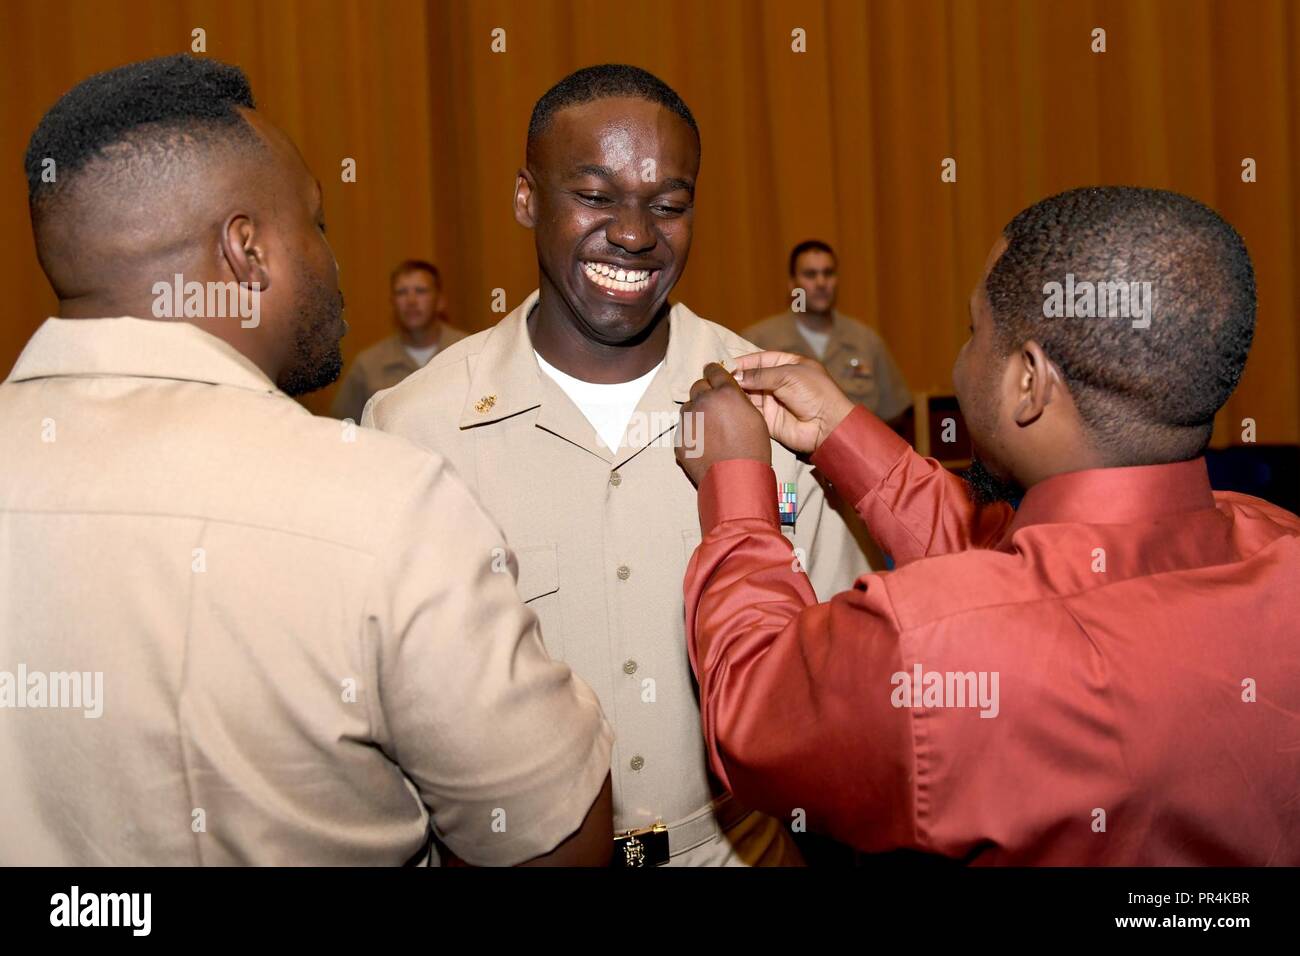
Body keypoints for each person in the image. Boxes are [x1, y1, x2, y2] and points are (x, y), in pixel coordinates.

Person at [0, 53, 612, 867]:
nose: (330, 256)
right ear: (246, 251)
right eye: (315, 223)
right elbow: (557, 839)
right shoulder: (380, 505)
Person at [676, 186, 1300, 865]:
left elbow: (757, 712)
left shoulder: (929, 647)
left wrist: (734, 481)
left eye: (975, 331)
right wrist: (839, 430)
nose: (962, 356)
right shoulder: (1278, 543)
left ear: (1028, 381)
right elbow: (1023, 577)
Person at [364, 64, 874, 867]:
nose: (635, 234)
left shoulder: (777, 409)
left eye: (668, 204)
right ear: (527, 198)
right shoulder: (416, 429)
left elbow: (846, 684)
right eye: (596, 198)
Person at [744, 240, 912, 433]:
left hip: (855, 458)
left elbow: (894, 415)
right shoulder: (758, 340)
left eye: (828, 273)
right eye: (810, 274)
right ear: (792, 284)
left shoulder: (866, 341)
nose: (821, 283)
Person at [330, 260, 467, 422]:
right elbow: (343, 426)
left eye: (421, 291)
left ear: (440, 302)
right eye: (401, 292)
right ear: (393, 303)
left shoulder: (468, 352)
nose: (411, 301)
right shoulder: (368, 365)